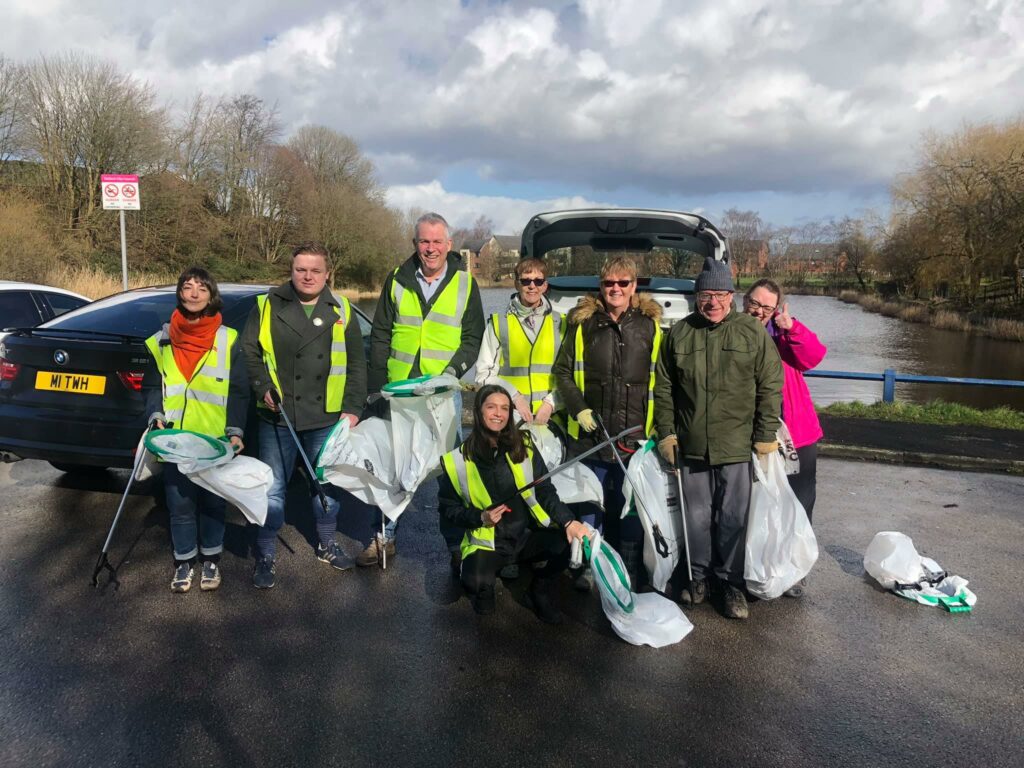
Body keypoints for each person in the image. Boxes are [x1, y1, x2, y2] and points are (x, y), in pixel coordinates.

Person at [654, 257, 783, 620]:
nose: (712, 302)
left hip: (737, 444)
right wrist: (667, 433)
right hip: (692, 443)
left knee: (732, 517)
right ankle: (698, 577)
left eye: (720, 294)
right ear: (696, 297)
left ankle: (729, 583)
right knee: (695, 517)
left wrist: (765, 434)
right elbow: (663, 389)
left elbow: (770, 384)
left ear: (731, 296)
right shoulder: (679, 333)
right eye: (705, 295)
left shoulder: (751, 332)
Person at [360, 212, 484, 568]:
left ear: (448, 244)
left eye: (437, 241)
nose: (430, 248)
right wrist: (377, 386)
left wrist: (450, 373)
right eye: (424, 241)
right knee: (392, 467)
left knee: (450, 470)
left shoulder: (465, 284)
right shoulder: (397, 278)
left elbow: (472, 337)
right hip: (399, 390)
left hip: (442, 393)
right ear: (415, 244)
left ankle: (458, 544)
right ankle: (384, 538)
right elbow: (381, 334)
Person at [241, 242, 367, 589]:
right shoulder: (266, 305)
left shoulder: (342, 309)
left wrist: (352, 409)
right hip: (277, 415)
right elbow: (249, 353)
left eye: (315, 270)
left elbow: (357, 364)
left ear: (327, 274)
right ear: (291, 270)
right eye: (301, 269)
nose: (308, 276)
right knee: (271, 490)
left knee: (326, 485)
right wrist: (262, 387)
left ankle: (327, 544)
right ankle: (266, 553)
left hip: (326, 417)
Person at [438, 384, 591, 623]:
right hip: (489, 543)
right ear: (479, 411)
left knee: (567, 541)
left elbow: (545, 491)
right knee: (475, 585)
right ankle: (484, 585)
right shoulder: (455, 460)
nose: (498, 414)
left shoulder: (526, 445)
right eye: (491, 407)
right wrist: (480, 517)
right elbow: (448, 509)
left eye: (504, 408)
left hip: (526, 535)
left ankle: (538, 590)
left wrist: (569, 521)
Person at [553, 256, 662, 587]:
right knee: (591, 502)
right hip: (592, 436)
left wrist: (658, 428)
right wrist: (579, 409)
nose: (615, 288)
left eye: (623, 283)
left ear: (634, 286)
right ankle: (589, 563)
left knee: (631, 507)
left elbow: (662, 379)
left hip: (634, 437)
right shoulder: (583, 324)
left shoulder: (650, 326)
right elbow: (562, 372)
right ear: (600, 286)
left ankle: (629, 566)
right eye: (609, 283)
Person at [144, 267, 249, 593]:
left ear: (211, 295)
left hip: (213, 439)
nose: (193, 293)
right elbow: (153, 385)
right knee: (180, 505)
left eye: (201, 288)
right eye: (187, 287)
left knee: (213, 504)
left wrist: (236, 431)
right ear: (180, 293)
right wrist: (155, 415)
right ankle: (184, 562)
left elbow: (239, 390)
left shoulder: (228, 339)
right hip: (175, 440)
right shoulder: (161, 339)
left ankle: (211, 559)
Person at [744, 278, 827, 597]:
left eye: (766, 307)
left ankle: (795, 569)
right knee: (758, 503)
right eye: (754, 303)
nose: (759, 311)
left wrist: (792, 328)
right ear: (744, 300)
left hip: (796, 432)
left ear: (776, 308)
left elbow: (813, 357)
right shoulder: (733, 331)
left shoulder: (784, 333)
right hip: (753, 433)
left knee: (799, 501)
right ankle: (759, 565)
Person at [475, 257, 564, 426]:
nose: (532, 286)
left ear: (545, 286)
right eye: (526, 281)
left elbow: (572, 376)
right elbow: (483, 375)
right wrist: (514, 396)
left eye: (538, 281)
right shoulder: (498, 324)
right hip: (511, 419)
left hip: (552, 419)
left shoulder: (561, 323)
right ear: (517, 284)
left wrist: (551, 403)